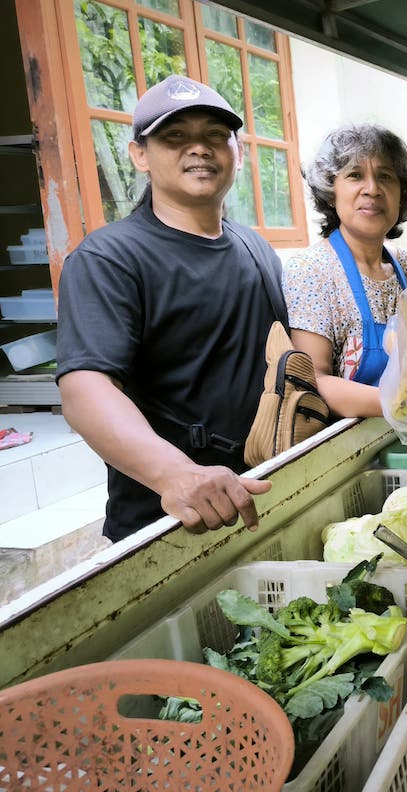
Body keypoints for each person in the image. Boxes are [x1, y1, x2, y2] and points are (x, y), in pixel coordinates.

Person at [56, 75, 283, 542]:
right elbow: (85, 388)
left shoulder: (254, 246)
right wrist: (174, 473)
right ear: (140, 155)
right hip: (171, 519)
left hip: (263, 494)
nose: (198, 149)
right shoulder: (111, 258)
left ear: (236, 151)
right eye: (174, 136)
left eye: (215, 136)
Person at [281, 124, 407, 418]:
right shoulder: (312, 270)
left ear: (402, 194)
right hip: (349, 448)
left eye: (385, 176)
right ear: (330, 191)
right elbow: (316, 380)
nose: (373, 189)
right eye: (355, 175)